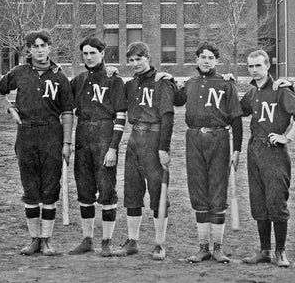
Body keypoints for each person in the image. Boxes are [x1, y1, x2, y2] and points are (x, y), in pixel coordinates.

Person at [0, 30, 74, 256]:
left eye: (43, 45)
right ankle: (34, 239)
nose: (39, 50)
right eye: (34, 46)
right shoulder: (20, 72)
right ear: (28, 49)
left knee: (49, 188)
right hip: (26, 134)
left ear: (49, 47)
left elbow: (67, 111)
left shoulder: (59, 76)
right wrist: (10, 109)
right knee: (30, 189)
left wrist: (67, 142)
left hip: (51, 135)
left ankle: (47, 240)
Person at [173, 42, 244, 264]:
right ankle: (203, 246)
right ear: (196, 60)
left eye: (210, 58)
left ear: (216, 61)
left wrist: (237, 150)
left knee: (217, 189)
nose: (206, 61)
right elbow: (176, 99)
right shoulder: (190, 83)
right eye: (202, 57)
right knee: (198, 190)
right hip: (194, 138)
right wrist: (166, 78)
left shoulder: (226, 84)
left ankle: (218, 247)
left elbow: (236, 118)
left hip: (219, 138)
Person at [239, 49, 295, 268]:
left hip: (274, 151)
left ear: (267, 66)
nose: (255, 70)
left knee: (276, 201)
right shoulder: (251, 94)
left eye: (258, 66)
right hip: (254, 149)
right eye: (251, 66)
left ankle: (280, 252)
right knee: (258, 202)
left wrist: (286, 137)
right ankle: (264, 251)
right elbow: (236, 111)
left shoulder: (280, 90)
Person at [112, 41, 176, 261]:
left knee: (158, 193)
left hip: (154, 137)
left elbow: (168, 117)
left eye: (139, 59)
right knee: (132, 190)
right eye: (131, 60)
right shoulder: (131, 84)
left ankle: (159, 244)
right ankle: (132, 240)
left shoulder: (161, 82)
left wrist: (163, 148)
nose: (135, 63)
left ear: (148, 58)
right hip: (135, 138)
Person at [68, 36, 128, 257]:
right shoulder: (79, 80)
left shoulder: (114, 80)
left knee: (106, 189)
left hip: (105, 136)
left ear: (103, 53)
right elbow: (60, 100)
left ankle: (106, 241)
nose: (89, 57)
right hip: (83, 135)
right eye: (85, 53)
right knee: (84, 189)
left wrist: (113, 147)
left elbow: (121, 115)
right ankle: (87, 240)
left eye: (93, 53)